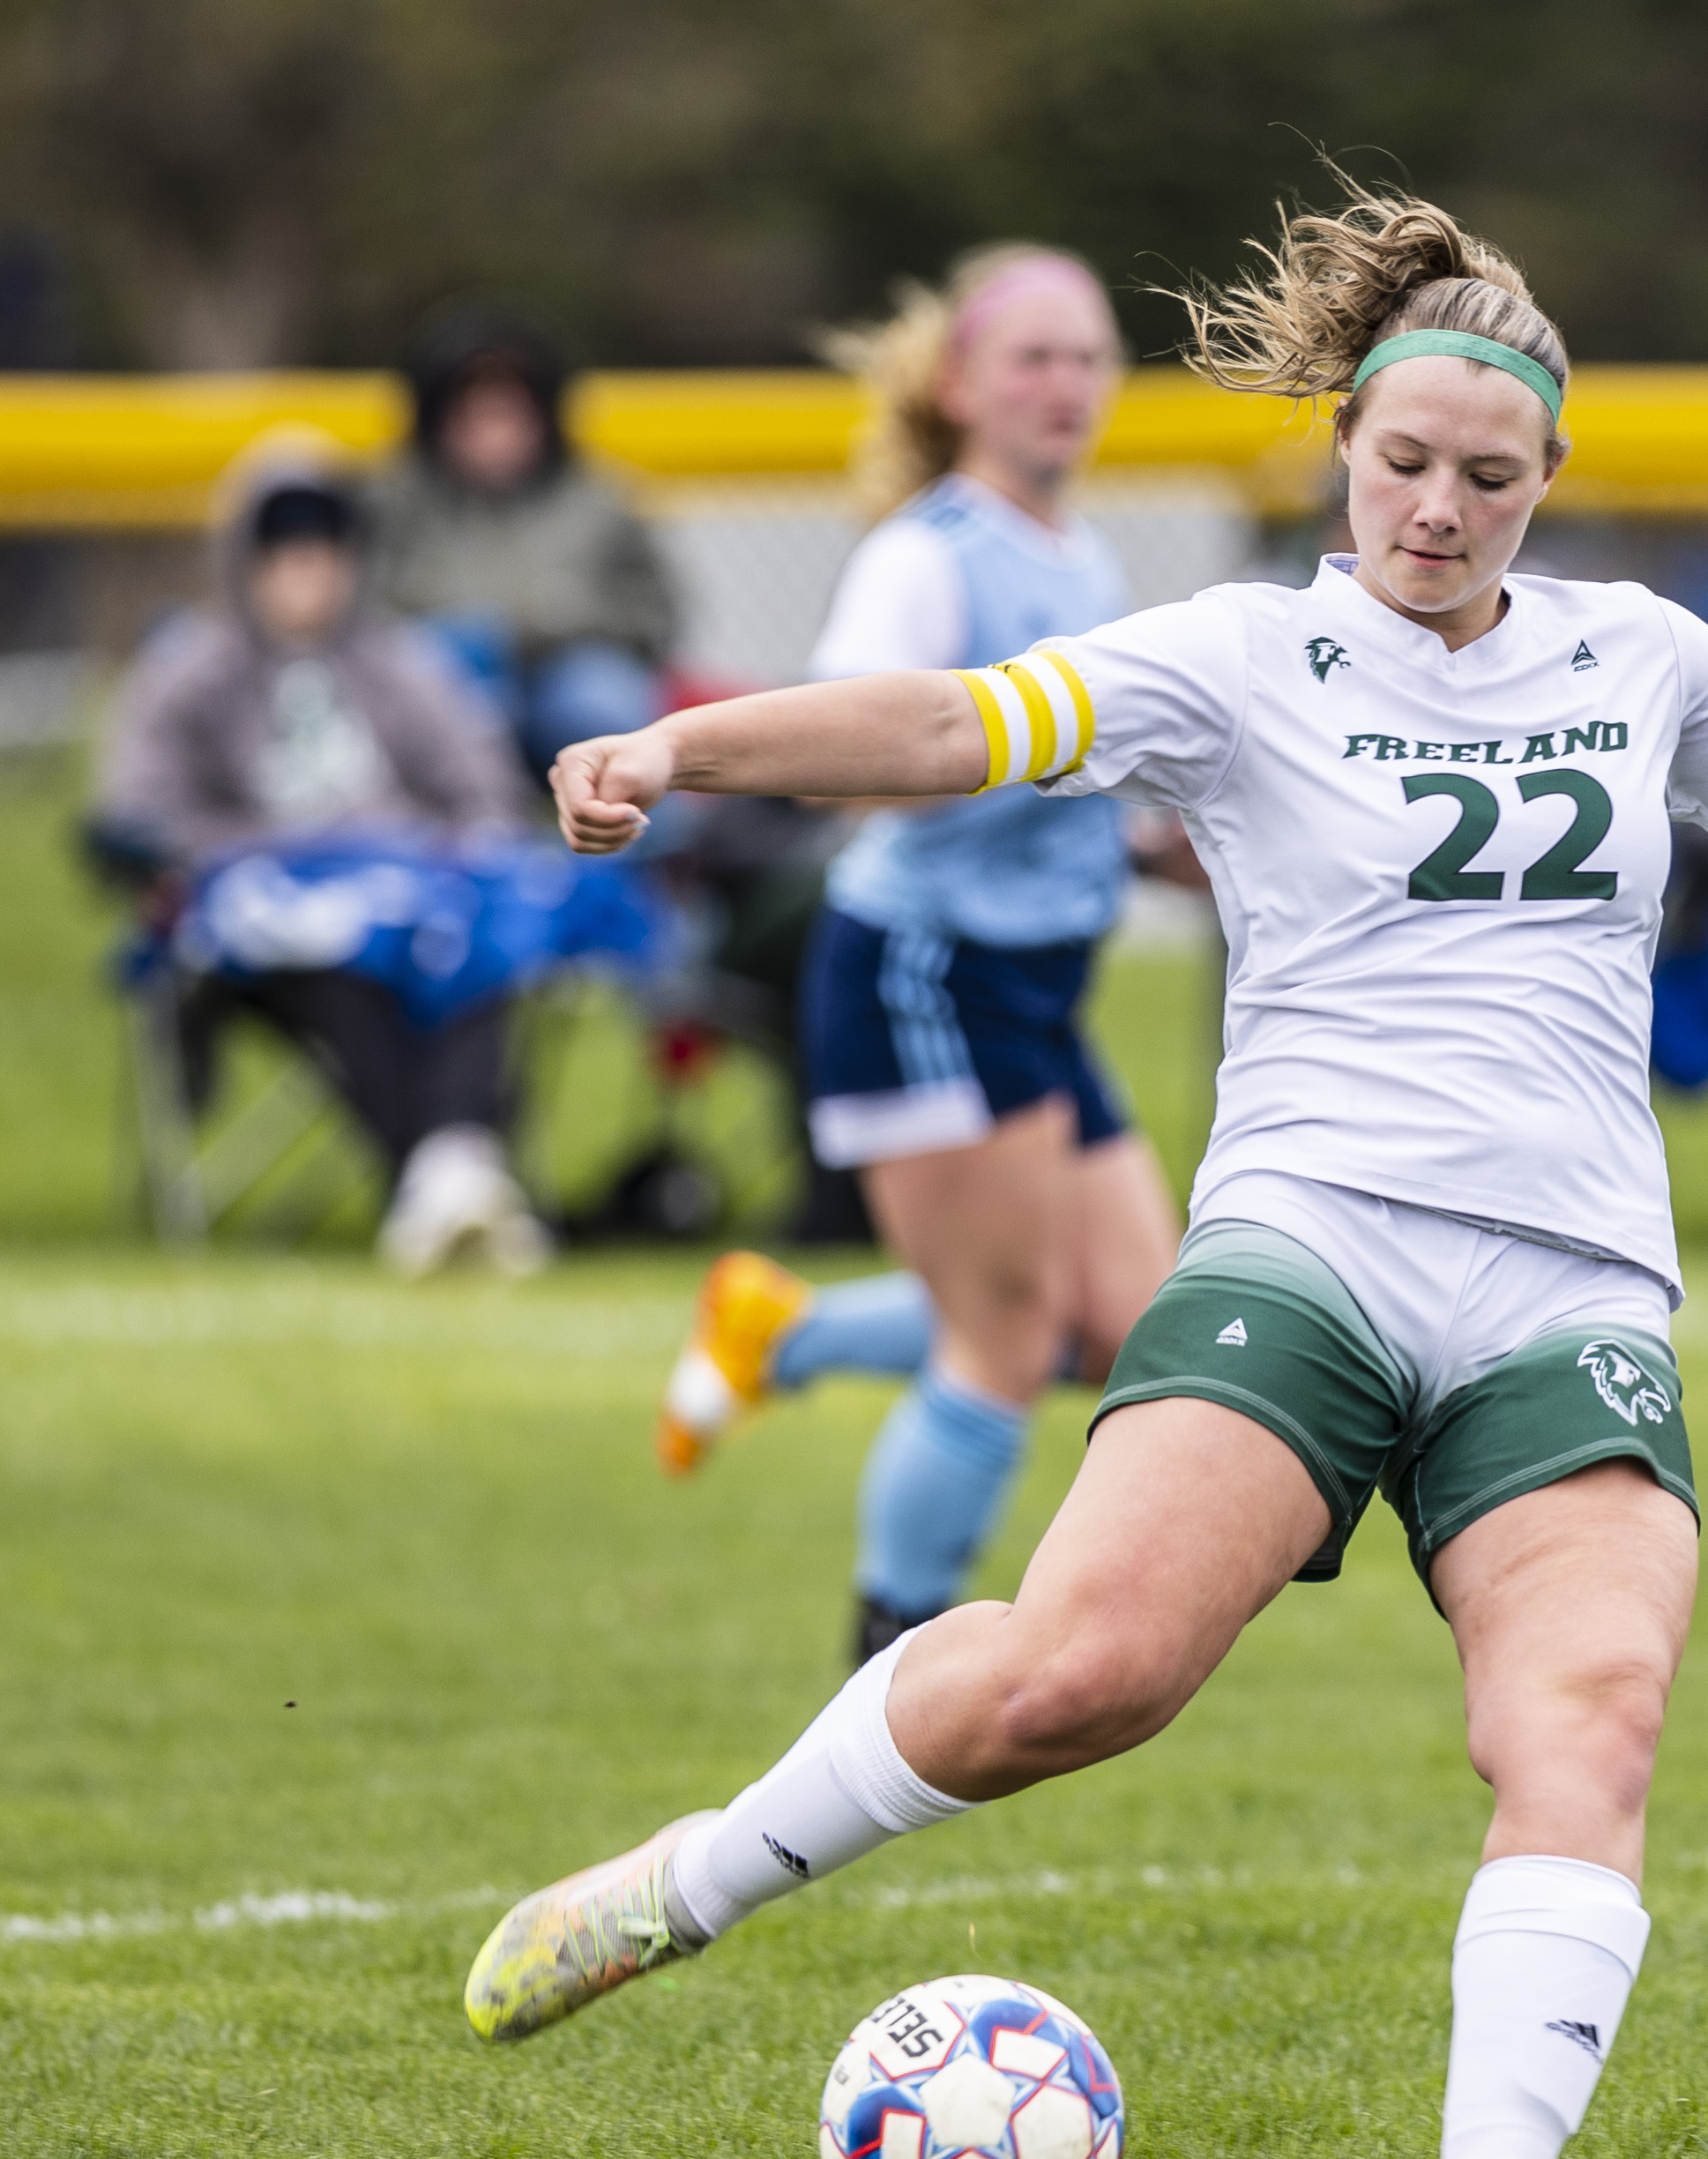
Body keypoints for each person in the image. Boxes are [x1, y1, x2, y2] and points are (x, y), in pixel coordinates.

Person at [462, 178, 1708, 2159]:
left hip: (1566, 1287)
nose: (1439, 509)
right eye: (1405, 463)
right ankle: (681, 1884)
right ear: (1343, 446)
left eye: (1487, 478)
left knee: (1584, 1714)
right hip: (1312, 1250)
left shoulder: (1644, 658)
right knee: (1081, 1677)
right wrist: (675, 748)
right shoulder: (1241, 654)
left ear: (1550, 479)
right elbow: (945, 726)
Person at [650, 246, 1182, 1668]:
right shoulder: (924, 557)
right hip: (926, 972)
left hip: (1038, 979)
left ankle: (782, 1334)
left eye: (1087, 357)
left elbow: (1077, 773)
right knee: (1004, 1344)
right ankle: (891, 1664)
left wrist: (1147, 839)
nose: (1066, 385)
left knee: (1129, 1329)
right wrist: (1009, 767)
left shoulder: (1087, 555)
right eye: (1032, 358)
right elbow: (854, 766)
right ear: (959, 386)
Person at [92, 448, 553, 1275]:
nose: (307, 570)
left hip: (411, 898)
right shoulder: (190, 670)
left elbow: (483, 791)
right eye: (285, 550)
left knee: (479, 942)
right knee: (339, 960)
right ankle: (447, 1175)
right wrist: (268, 855)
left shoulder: (402, 663)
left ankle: (450, 1175)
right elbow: (140, 812)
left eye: (325, 547)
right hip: (264, 914)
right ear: (246, 560)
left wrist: (422, 853)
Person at [372, 310, 676, 773]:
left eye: (510, 414)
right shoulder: (394, 502)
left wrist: (556, 624)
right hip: (453, 680)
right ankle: (476, 835)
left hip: (573, 672)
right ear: (440, 421)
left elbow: (655, 615)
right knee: (453, 694)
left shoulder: (598, 500)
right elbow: (364, 615)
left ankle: (642, 836)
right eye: (475, 415)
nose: (495, 433)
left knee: (599, 701)